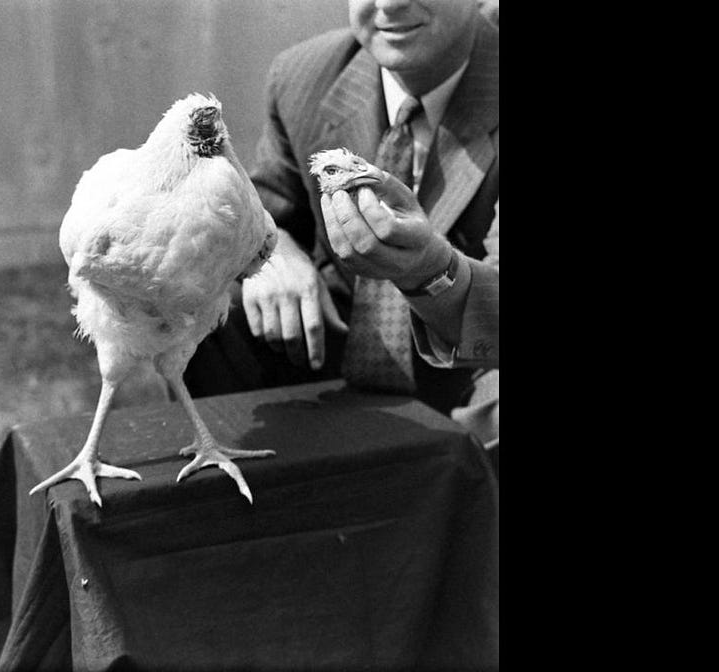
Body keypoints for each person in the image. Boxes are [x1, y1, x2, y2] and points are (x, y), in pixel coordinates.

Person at [184, 0, 499, 445]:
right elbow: (261, 206)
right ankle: (239, 495)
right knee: (214, 305)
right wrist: (272, 251)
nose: (390, 3)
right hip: (343, 339)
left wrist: (431, 271)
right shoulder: (303, 76)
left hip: (476, 362)